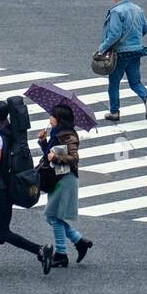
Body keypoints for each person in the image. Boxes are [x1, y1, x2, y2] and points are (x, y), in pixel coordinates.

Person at [0, 100, 53, 276]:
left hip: (0, 188)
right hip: (7, 185)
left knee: (2, 231)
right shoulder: (9, 130)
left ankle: (40, 250)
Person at [38, 103, 92, 269]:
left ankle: (61, 254)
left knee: (53, 217)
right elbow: (50, 153)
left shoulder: (68, 135)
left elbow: (74, 158)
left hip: (65, 180)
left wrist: (55, 158)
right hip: (57, 178)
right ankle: (78, 241)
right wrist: (43, 142)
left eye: (52, 116)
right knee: (52, 217)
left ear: (59, 119)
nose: (50, 118)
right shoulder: (56, 133)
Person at [97, 0, 147, 124]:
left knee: (114, 82)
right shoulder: (138, 9)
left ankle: (114, 112)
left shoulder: (117, 11)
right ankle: (146, 97)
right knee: (135, 81)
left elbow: (114, 34)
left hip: (120, 53)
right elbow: (145, 28)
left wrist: (102, 48)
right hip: (136, 51)